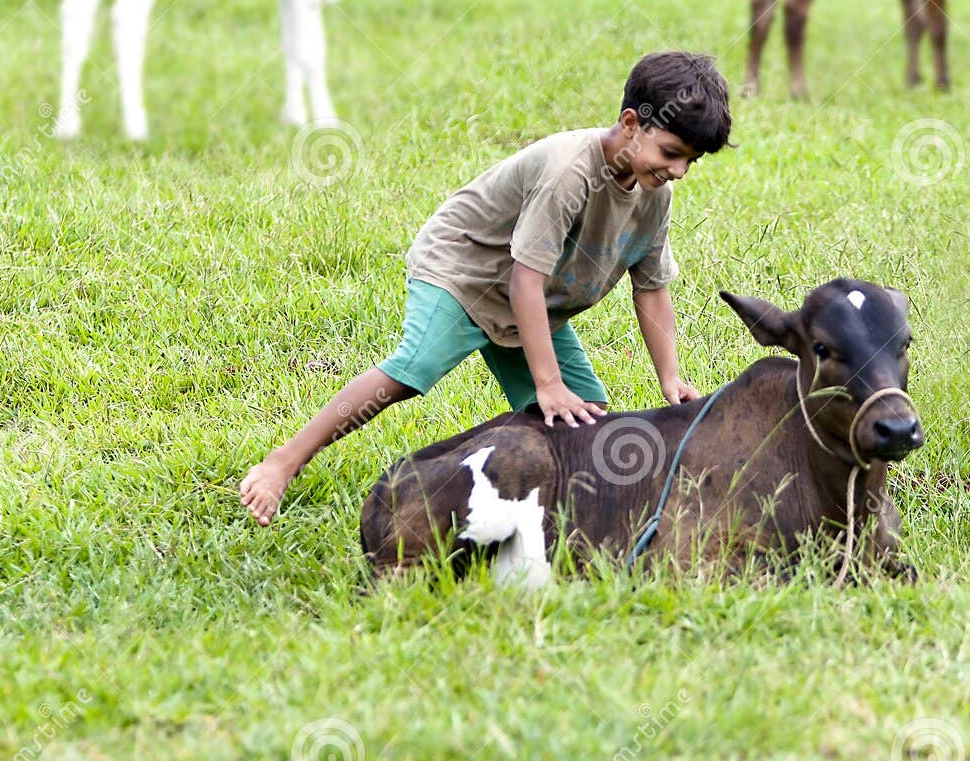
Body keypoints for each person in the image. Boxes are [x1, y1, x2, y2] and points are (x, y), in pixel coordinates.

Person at [240, 51, 733, 525]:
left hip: (531, 297)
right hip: (465, 271)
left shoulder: (654, 196)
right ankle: (284, 461)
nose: (678, 171)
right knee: (414, 369)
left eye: (690, 161)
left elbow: (650, 288)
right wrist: (546, 384)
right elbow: (525, 278)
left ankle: (526, 499)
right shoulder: (570, 171)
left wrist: (669, 377)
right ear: (630, 124)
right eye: (670, 153)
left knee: (585, 414)